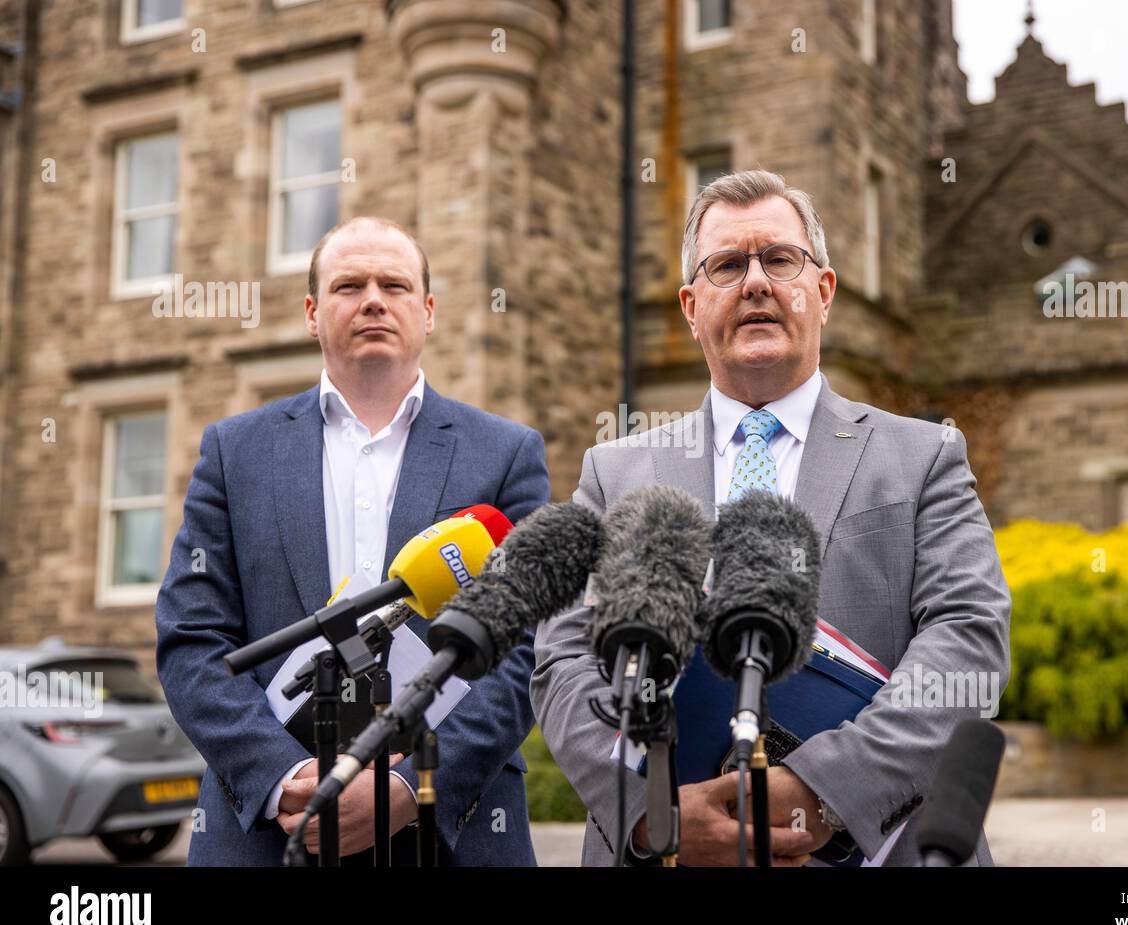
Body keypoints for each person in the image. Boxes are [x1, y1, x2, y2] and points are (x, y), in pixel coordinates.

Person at [532, 171, 1011, 866]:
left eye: (780, 259)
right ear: (692, 308)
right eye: (727, 265)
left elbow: (968, 637)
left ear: (822, 291)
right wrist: (647, 810)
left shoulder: (922, 455)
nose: (755, 282)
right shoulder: (616, 473)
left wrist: (824, 791)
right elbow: (563, 657)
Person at [157, 217, 548, 865]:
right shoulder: (234, 451)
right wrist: (284, 780)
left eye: (394, 284)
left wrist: (410, 786)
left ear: (427, 312)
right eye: (349, 285)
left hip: (453, 830)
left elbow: (527, 649)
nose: (373, 298)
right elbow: (192, 641)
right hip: (265, 832)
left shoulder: (504, 454)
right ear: (313, 313)